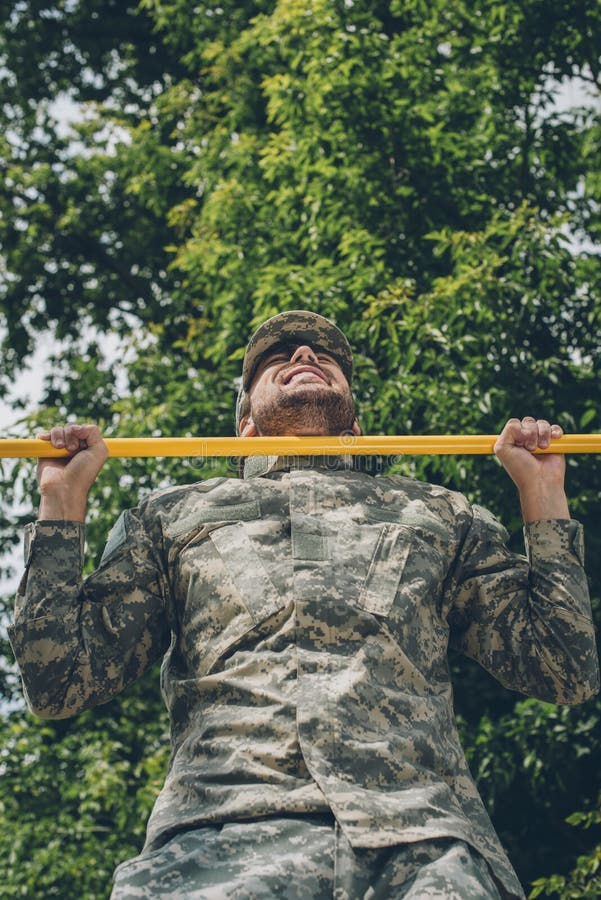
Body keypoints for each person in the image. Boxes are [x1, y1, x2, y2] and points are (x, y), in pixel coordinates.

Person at [9, 310, 599, 900]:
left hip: (428, 848)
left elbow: (563, 669)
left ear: (357, 427)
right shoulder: (171, 516)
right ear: (244, 429)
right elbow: (59, 680)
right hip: (216, 846)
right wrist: (61, 506)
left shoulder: (440, 513)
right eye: (278, 357)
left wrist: (543, 495)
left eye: (324, 357)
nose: (304, 357)